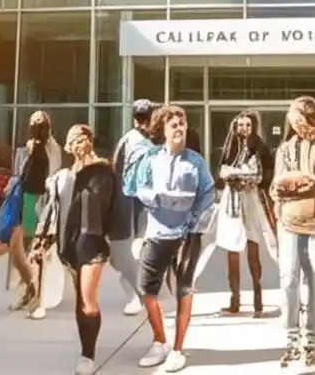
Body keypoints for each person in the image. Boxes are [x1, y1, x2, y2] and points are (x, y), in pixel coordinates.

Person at [127, 104, 215, 373]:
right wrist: (154, 198)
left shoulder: (196, 161)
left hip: (187, 236)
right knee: (145, 290)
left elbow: (208, 194)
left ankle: (177, 349)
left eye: (182, 123)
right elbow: (134, 187)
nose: (179, 127)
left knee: (184, 290)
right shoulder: (151, 159)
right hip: (157, 233)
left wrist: (193, 219)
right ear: (163, 130)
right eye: (173, 124)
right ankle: (159, 341)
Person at [36, 124, 115, 375]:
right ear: (68, 147)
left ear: (90, 141)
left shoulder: (103, 173)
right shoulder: (62, 177)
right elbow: (50, 212)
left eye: (83, 139)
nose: (80, 144)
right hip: (68, 247)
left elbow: (114, 209)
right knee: (80, 302)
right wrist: (40, 242)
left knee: (88, 301)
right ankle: (86, 347)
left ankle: (87, 356)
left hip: (94, 244)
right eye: (74, 141)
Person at [271, 95, 315, 368]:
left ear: (308, 116)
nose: (293, 120)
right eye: (291, 115)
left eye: (297, 114)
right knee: (288, 280)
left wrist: (296, 182)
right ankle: (291, 339)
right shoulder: (284, 149)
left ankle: (311, 342)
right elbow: (276, 188)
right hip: (288, 224)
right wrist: (298, 182)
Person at [215, 110, 277, 317]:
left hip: (251, 201)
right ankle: (235, 301)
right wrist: (231, 176)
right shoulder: (230, 148)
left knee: (253, 250)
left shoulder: (260, 148)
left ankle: (258, 302)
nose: (244, 129)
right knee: (232, 250)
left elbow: (266, 173)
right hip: (231, 202)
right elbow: (222, 173)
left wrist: (252, 179)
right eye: (240, 125)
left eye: (248, 125)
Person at [8, 110, 63, 318]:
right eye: (33, 123)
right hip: (28, 201)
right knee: (22, 249)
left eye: (39, 123)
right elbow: (23, 175)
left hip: (41, 202)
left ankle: (35, 294)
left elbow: (51, 176)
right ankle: (29, 290)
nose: (36, 127)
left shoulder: (51, 148)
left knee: (35, 250)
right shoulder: (30, 148)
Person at [108, 98, 157, 317]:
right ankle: (136, 294)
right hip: (130, 205)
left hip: (139, 204)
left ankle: (141, 293)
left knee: (139, 249)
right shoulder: (133, 141)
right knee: (130, 252)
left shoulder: (135, 140)